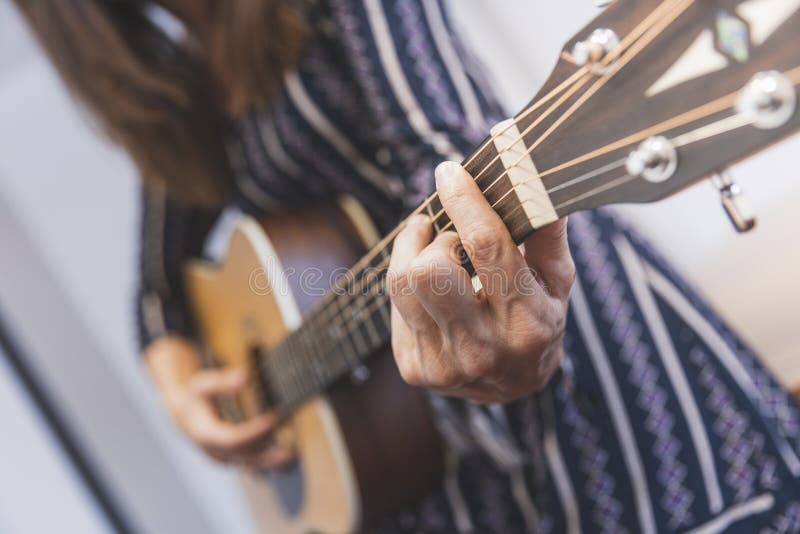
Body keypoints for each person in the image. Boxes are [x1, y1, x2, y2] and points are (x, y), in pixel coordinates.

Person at [15, 0, 800, 531]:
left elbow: (436, 148)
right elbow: (159, 290)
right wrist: (175, 376)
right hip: (428, 480)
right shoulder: (180, 90)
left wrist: (474, 265)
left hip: (564, 351)